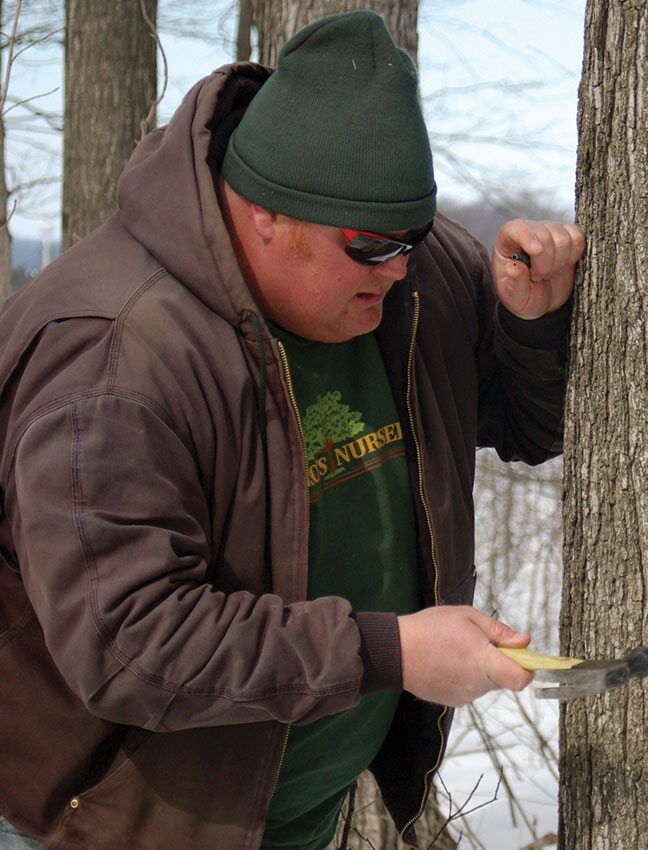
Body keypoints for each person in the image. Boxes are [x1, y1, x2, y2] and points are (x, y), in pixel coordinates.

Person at [0, 10, 584, 850]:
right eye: (372, 247)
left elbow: (535, 427)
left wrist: (532, 323)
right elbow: (127, 643)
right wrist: (391, 653)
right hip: (111, 822)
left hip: (290, 808)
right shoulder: (115, 358)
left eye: (413, 237)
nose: (401, 265)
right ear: (265, 213)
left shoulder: (406, 276)